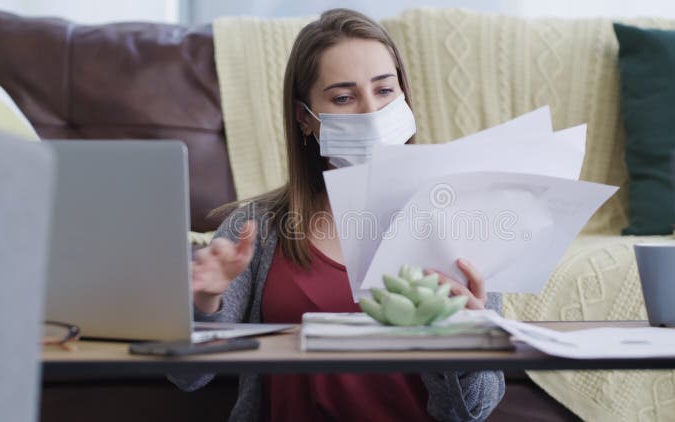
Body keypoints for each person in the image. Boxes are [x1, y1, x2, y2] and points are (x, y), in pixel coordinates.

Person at [170, 8, 505, 422]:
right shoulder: (257, 227)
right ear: (305, 118)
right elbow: (187, 378)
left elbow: (474, 409)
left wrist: (466, 340)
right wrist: (204, 300)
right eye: (344, 97)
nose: (370, 112)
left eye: (384, 91)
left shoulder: (459, 220)